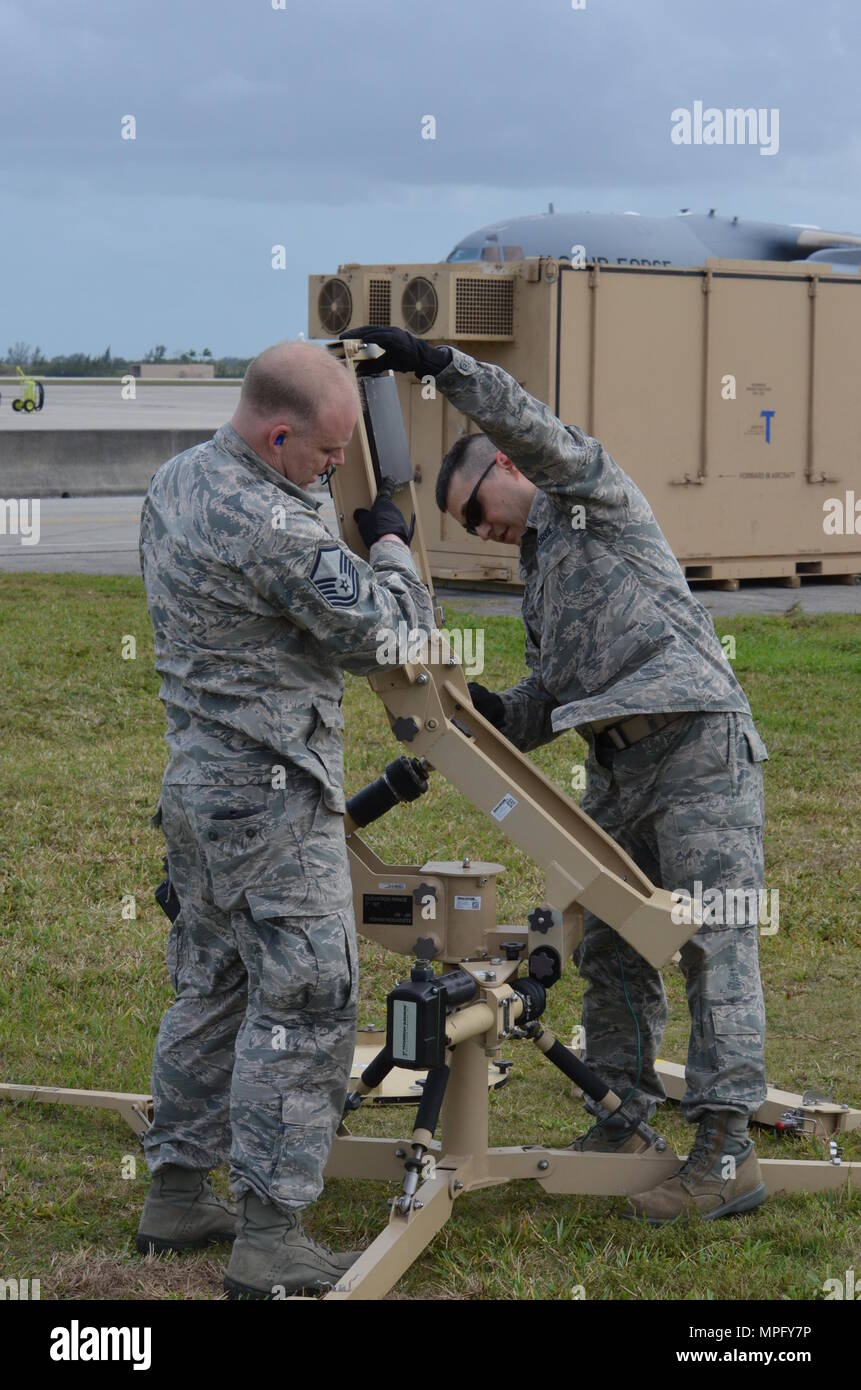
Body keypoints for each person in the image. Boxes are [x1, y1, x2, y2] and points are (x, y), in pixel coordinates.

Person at [342, 325, 770, 1226]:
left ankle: (727, 1154)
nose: (481, 526)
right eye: (461, 523)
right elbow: (551, 693)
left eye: (478, 503)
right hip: (615, 766)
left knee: (711, 947)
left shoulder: (588, 493)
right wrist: (491, 715)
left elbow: (530, 422)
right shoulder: (538, 576)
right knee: (614, 946)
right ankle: (619, 1117)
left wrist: (435, 365)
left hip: (693, 747)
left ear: (510, 464)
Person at [137, 340, 433, 1294]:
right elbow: (396, 632)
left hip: (197, 789)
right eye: (323, 454)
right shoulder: (277, 525)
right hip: (272, 798)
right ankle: (270, 1240)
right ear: (275, 435)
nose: (335, 468)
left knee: (212, 987)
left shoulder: (178, 480)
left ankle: (177, 1192)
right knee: (304, 1002)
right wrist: (389, 544)